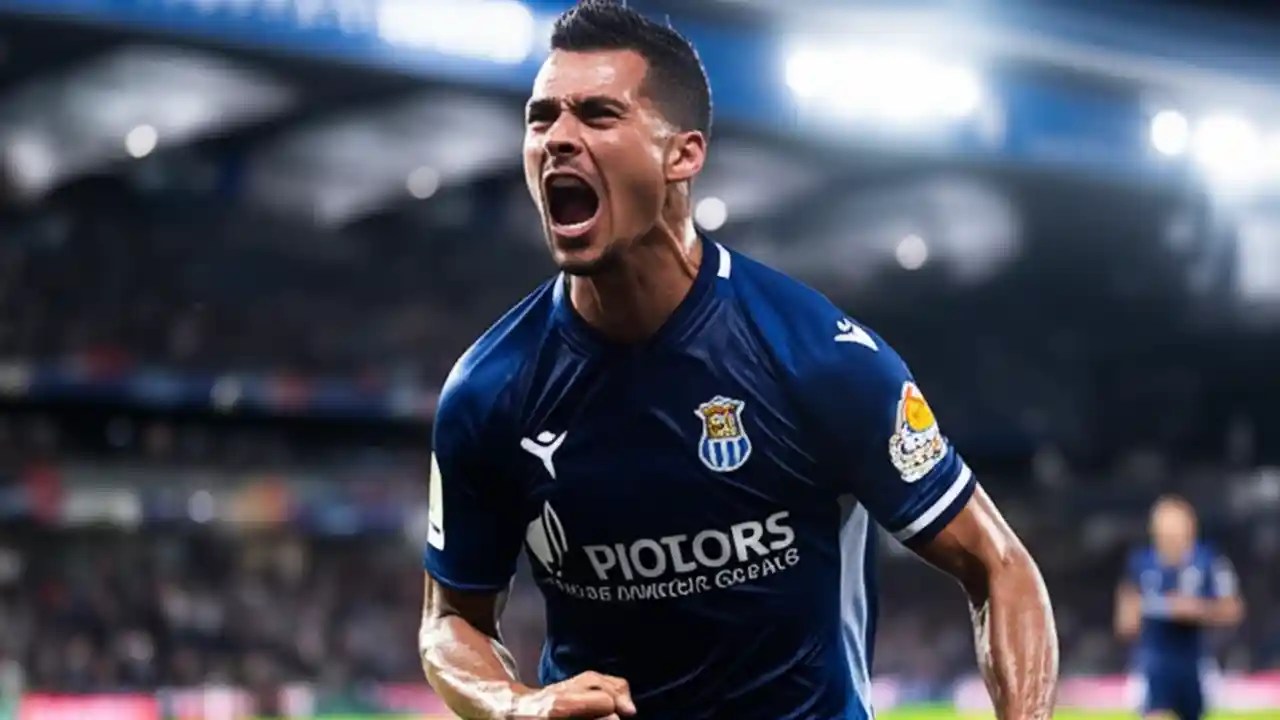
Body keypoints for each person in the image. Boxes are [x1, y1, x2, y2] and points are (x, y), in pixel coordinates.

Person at [418, 2, 1058, 718]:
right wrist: (515, 705)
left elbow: (1000, 568)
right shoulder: (489, 391)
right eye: (541, 119)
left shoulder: (817, 357)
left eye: (597, 115)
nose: (558, 139)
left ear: (683, 154)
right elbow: (451, 620)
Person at [1114, 495, 1244, 720]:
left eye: (1176, 527)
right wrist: (1138, 613)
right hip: (1154, 662)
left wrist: (1198, 610)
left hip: (1195, 662)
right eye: (1164, 528)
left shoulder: (1209, 561)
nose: (1170, 535)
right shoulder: (1140, 564)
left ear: (1190, 528)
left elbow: (1233, 609)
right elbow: (1125, 622)